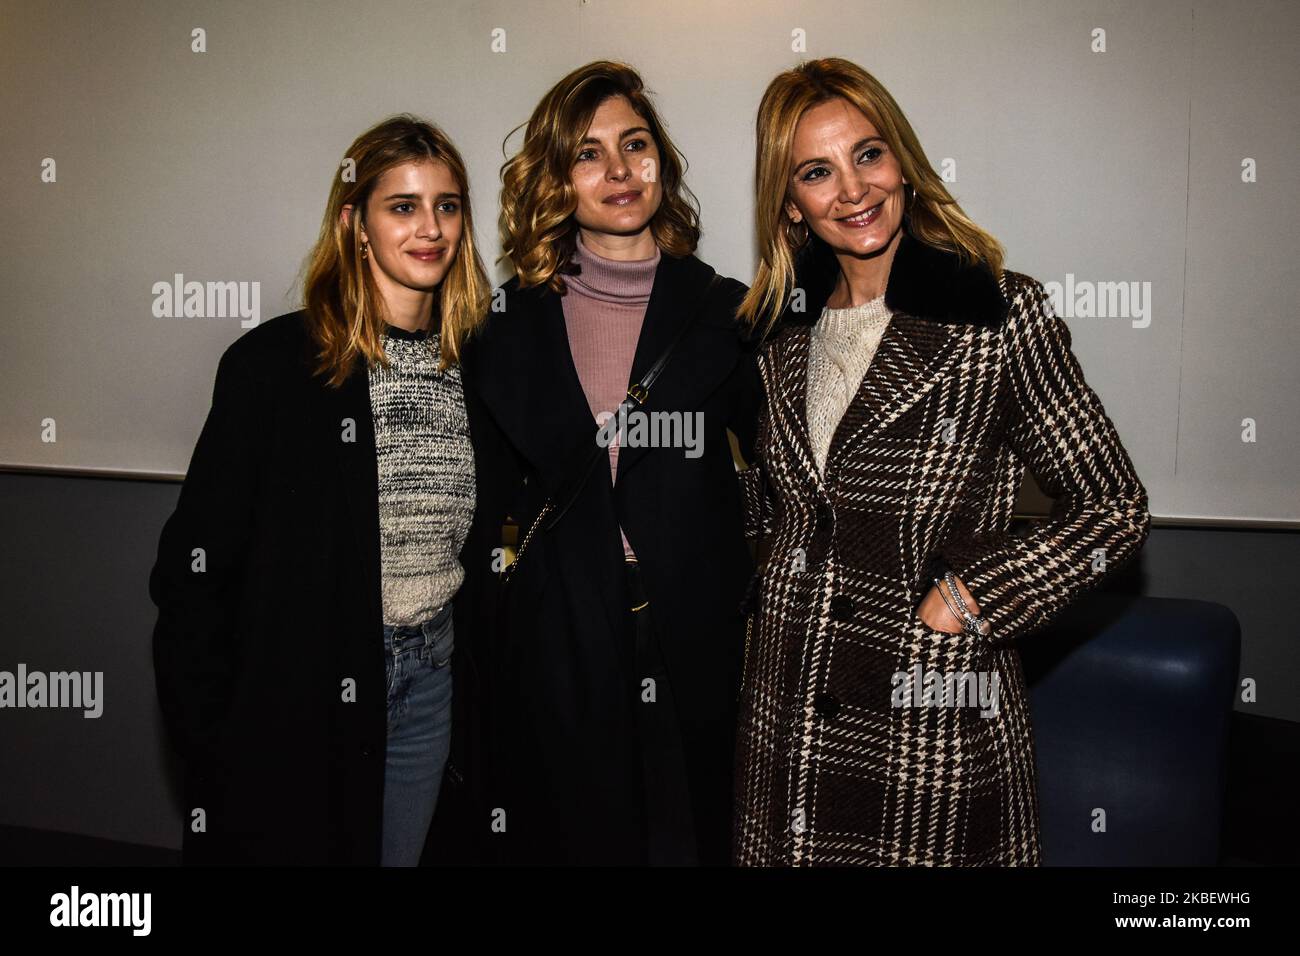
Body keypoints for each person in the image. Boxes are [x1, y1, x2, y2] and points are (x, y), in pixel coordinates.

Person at [733, 58, 1152, 866]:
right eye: (817, 172)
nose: (853, 190)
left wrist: (966, 600)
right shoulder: (777, 336)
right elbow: (777, 513)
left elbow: (1114, 509)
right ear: (790, 204)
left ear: (904, 162)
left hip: (928, 711)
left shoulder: (996, 313)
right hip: (782, 715)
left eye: (869, 154)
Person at [149, 114, 494, 865]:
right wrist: (213, 739)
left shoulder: (481, 368)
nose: (429, 226)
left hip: (430, 682)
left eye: (447, 204)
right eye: (401, 206)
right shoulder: (273, 368)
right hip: (300, 690)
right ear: (355, 224)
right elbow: (193, 575)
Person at [458, 60, 762, 865]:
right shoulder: (501, 328)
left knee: (690, 836)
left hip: (694, 640)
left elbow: (780, 480)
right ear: (556, 180)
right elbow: (486, 510)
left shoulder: (726, 315)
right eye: (588, 154)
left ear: (662, 158)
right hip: (557, 643)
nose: (620, 171)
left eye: (635, 145)